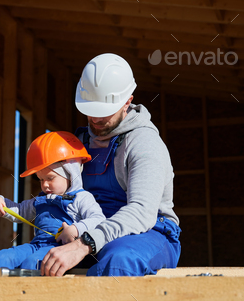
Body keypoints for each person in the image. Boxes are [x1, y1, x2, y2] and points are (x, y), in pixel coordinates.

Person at [41, 53, 181, 277]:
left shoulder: (144, 143)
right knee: (36, 259)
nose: (95, 120)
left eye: (104, 112)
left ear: (127, 101)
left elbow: (142, 212)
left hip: (147, 232)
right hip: (89, 230)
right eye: (90, 111)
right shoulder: (79, 142)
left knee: (117, 263)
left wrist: (82, 245)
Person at [0, 131, 105, 277]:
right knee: (5, 256)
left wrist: (76, 229)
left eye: (50, 178)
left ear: (70, 174)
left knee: (33, 262)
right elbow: (20, 211)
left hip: (61, 251)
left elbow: (99, 220)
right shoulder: (40, 200)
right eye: (40, 179)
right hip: (35, 246)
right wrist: (0, 201)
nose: (44, 185)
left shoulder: (82, 198)